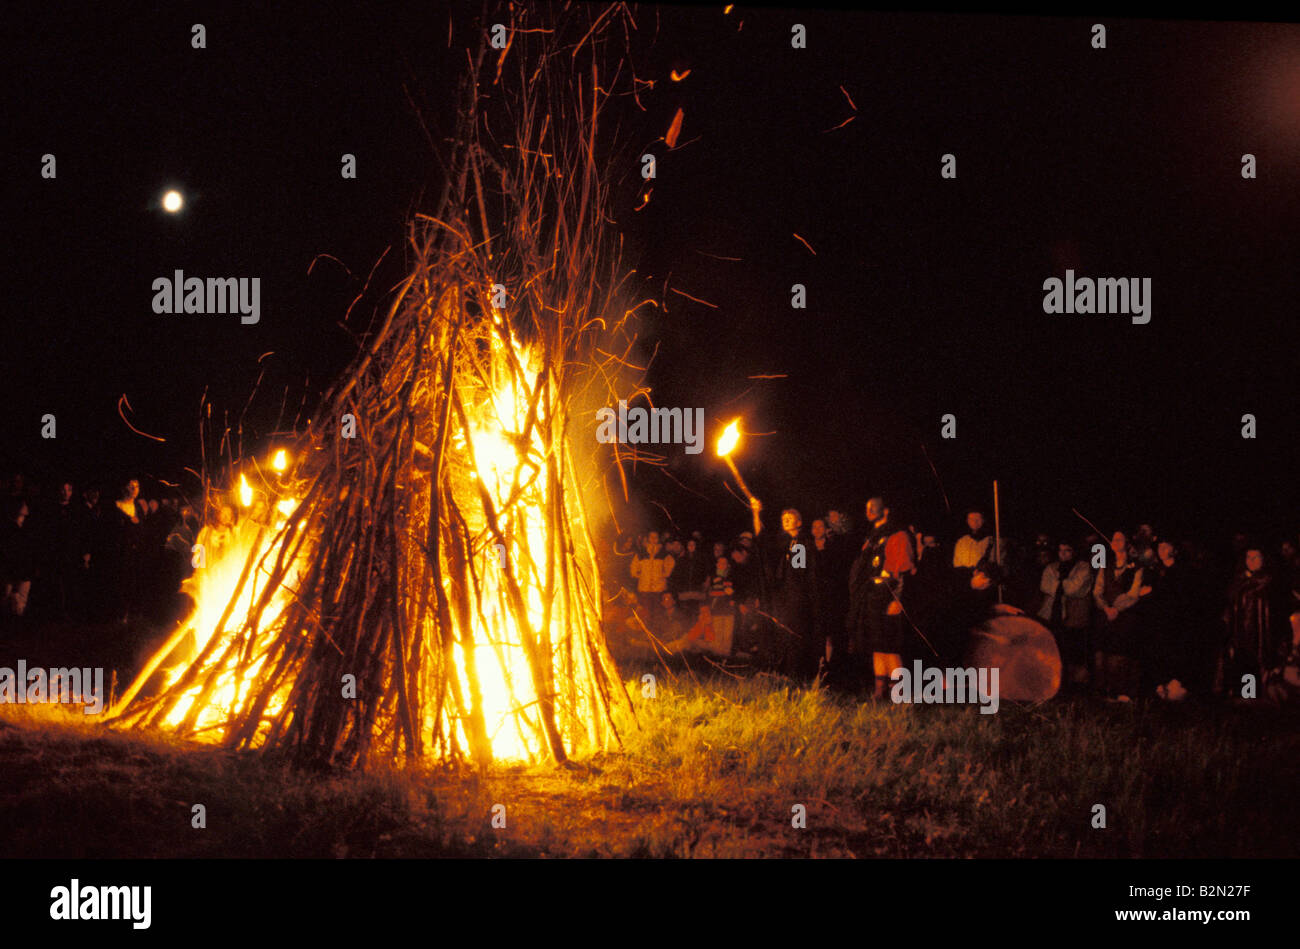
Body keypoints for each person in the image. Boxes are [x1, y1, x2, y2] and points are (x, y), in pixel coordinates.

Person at [846, 497, 916, 697]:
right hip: (871, 595)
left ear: (885, 511)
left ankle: (898, 692)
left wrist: (898, 599)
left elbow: (904, 570)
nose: (869, 510)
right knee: (876, 645)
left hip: (889, 594)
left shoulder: (897, 534)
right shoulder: (871, 537)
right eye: (866, 507)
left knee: (890, 647)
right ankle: (879, 690)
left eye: (873, 507)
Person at [1092, 530, 1146, 699]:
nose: (1115, 542)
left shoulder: (1136, 566)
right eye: (1113, 539)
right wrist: (1105, 608)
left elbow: (1134, 593)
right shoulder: (1105, 565)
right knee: (1102, 653)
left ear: (1127, 543)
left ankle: (1121, 692)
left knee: (1120, 655)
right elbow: (1097, 591)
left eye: (1119, 539)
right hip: (1106, 616)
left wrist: (1117, 609)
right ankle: (1102, 691)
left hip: (1125, 618)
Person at [1037, 540, 1093, 688]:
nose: (1063, 554)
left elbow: (1075, 588)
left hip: (1074, 616)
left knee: (1073, 651)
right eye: (1060, 550)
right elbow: (1044, 585)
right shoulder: (1052, 567)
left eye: (1067, 550)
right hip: (1052, 615)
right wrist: (1063, 585)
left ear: (1073, 551)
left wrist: (1057, 585)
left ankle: (1074, 685)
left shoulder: (1083, 567)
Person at [1221, 548, 1276, 697]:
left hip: (1261, 635)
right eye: (1248, 557)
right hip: (1240, 634)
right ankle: (1245, 698)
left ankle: (1255, 699)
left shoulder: (1269, 582)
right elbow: (1230, 606)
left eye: (1256, 557)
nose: (1251, 561)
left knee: (1257, 666)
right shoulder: (1239, 581)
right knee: (1242, 665)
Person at [630, 531, 675, 632]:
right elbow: (634, 566)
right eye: (652, 537)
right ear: (648, 538)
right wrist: (638, 574)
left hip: (659, 588)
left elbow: (670, 563)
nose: (654, 539)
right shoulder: (642, 552)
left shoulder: (663, 553)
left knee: (658, 612)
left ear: (658, 539)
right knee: (645, 612)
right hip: (644, 587)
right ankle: (645, 633)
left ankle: (657, 632)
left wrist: (664, 574)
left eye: (656, 537)